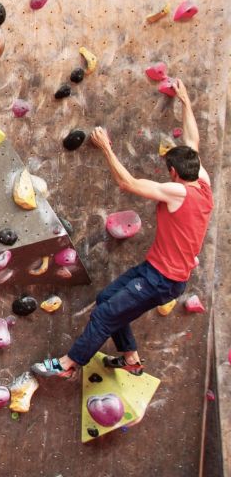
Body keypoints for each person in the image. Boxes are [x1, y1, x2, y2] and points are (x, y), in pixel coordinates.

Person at [33, 78, 213, 379]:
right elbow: (193, 142)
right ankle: (131, 358)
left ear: (173, 173)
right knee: (107, 299)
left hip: (162, 280)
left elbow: (127, 183)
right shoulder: (202, 182)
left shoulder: (177, 192)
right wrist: (185, 102)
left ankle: (68, 365)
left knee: (104, 314)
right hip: (157, 271)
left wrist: (105, 148)